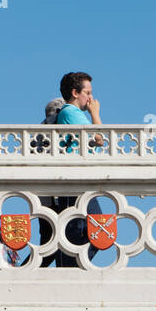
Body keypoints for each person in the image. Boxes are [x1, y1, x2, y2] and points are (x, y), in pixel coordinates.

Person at [46, 72, 102, 267]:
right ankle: (70, 269)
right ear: (75, 93)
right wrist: (95, 113)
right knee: (80, 230)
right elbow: (99, 138)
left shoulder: (75, 115)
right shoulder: (70, 112)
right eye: (88, 93)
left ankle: (75, 266)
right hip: (74, 181)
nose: (91, 98)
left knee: (95, 230)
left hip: (84, 179)